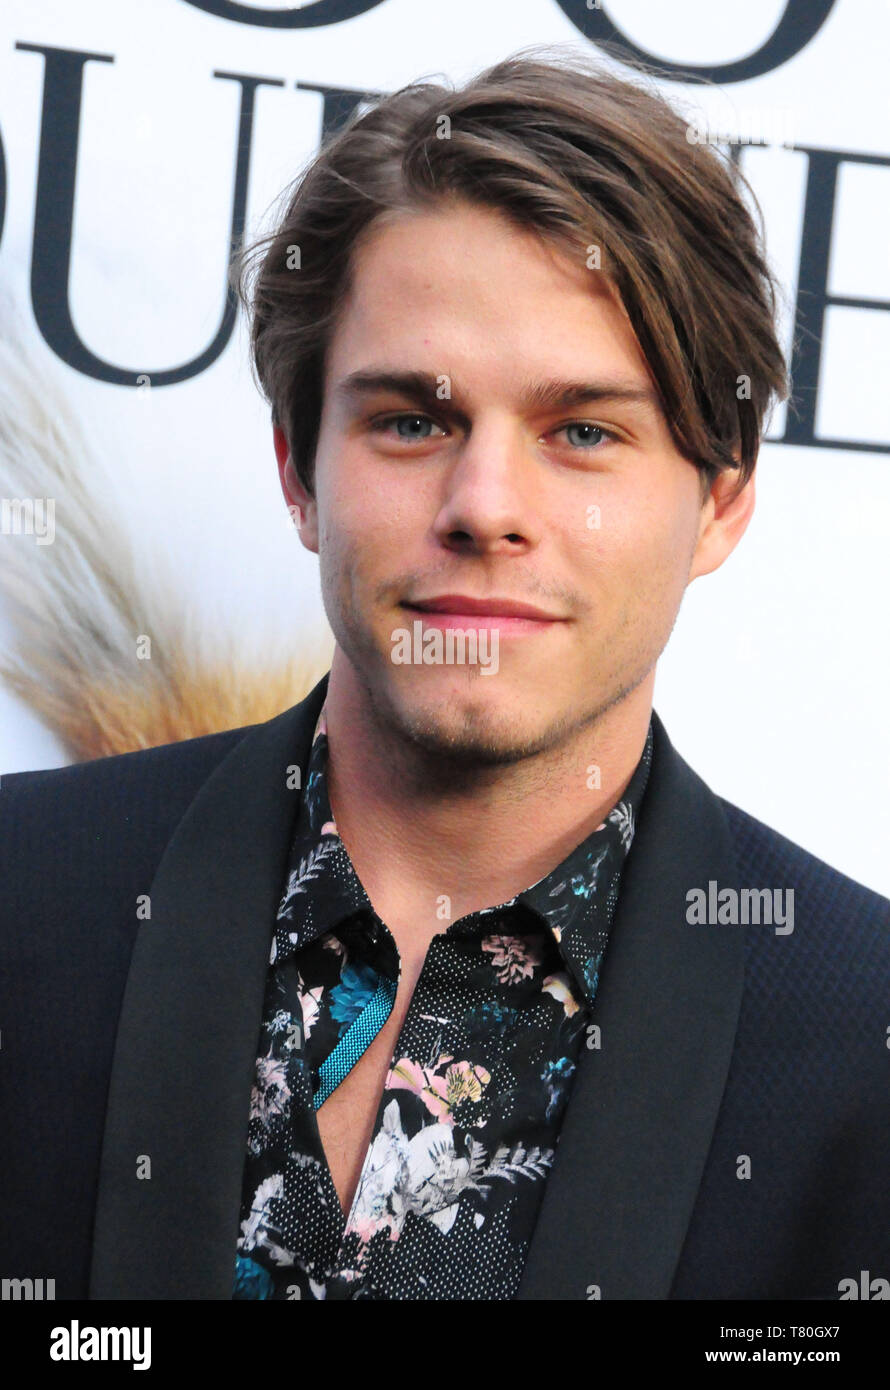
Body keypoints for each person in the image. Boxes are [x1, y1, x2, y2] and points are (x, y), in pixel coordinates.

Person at [1, 47, 888, 1303]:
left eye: (582, 430)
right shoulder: (22, 896)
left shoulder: (860, 1037)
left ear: (719, 501)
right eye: (412, 421)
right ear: (298, 473)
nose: (483, 507)